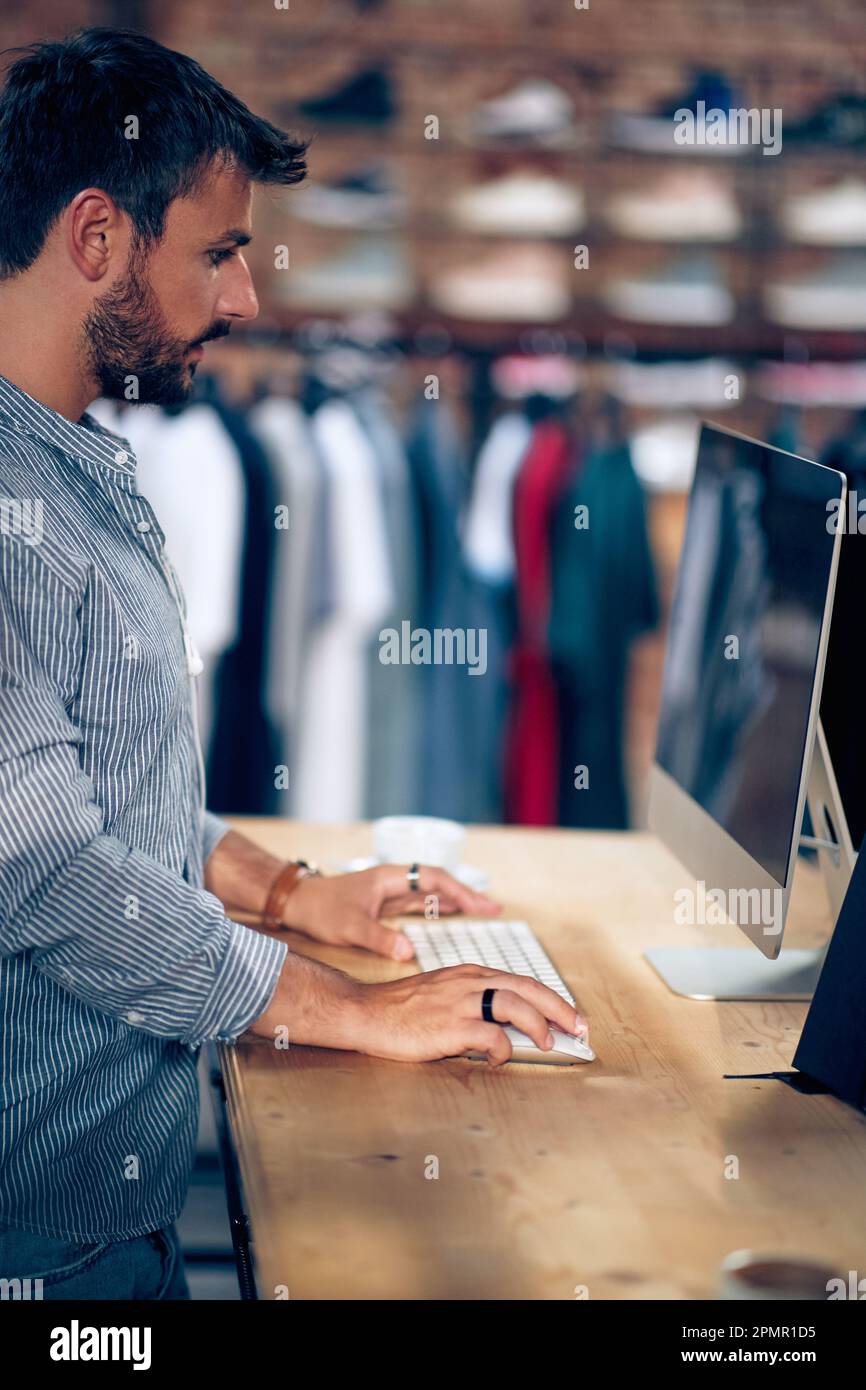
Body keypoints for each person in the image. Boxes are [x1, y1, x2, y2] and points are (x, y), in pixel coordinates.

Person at [0, 28, 586, 1300]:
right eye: (217, 253)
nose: (244, 300)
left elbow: (101, 790)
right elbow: (41, 867)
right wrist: (358, 1009)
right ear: (96, 239)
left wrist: (289, 888)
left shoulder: (72, 467)